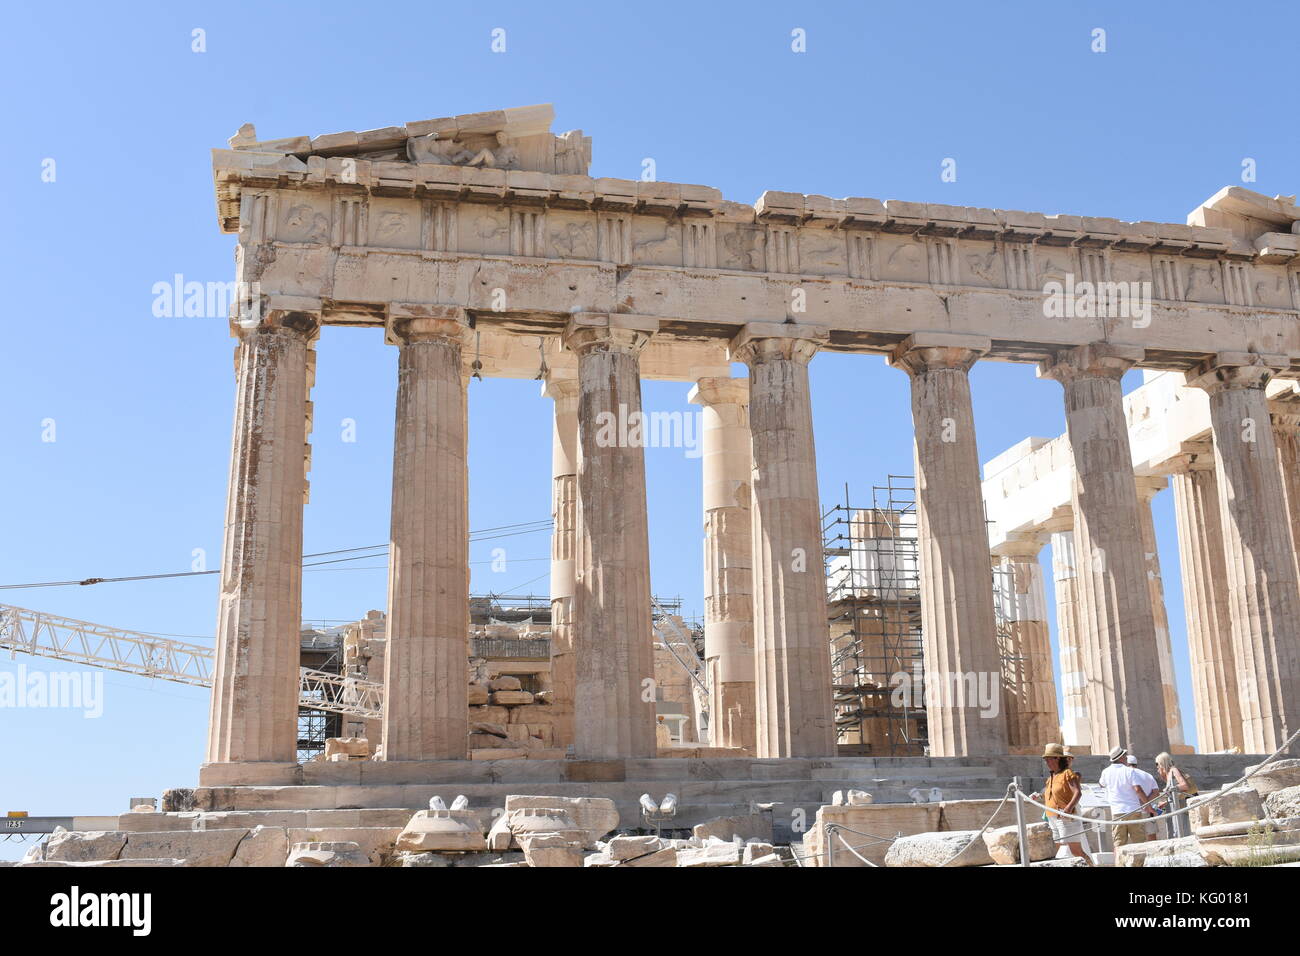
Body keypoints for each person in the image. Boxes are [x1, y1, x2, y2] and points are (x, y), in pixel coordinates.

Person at [1030, 742, 1091, 864]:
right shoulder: (1052, 777)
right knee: (1055, 850)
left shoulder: (1067, 773)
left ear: (1057, 758)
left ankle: (1091, 865)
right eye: (1045, 759)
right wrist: (1039, 796)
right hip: (1052, 817)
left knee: (1075, 851)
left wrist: (1068, 808)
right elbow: (1051, 793)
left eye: (1048, 759)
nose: (1046, 762)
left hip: (1065, 817)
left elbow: (1077, 792)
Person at [1099, 745, 1149, 849]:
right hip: (1133, 810)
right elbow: (1138, 789)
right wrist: (1148, 805)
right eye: (1125, 756)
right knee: (1140, 844)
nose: (1126, 758)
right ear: (1121, 758)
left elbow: (1101, 784)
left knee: (1119, 845)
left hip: (1117, 812)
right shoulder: (1129, 771)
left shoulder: (1105, 772)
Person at [1126, 754, 1162, 841]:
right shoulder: (1147, 775)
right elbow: (1156, 792)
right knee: (1151, 837)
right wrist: (1147, 805)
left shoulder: (1126, 774)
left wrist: (1142, 804)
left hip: (1132, 810)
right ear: (1136, 764)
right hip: (1148, 811)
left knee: (1137, 840)